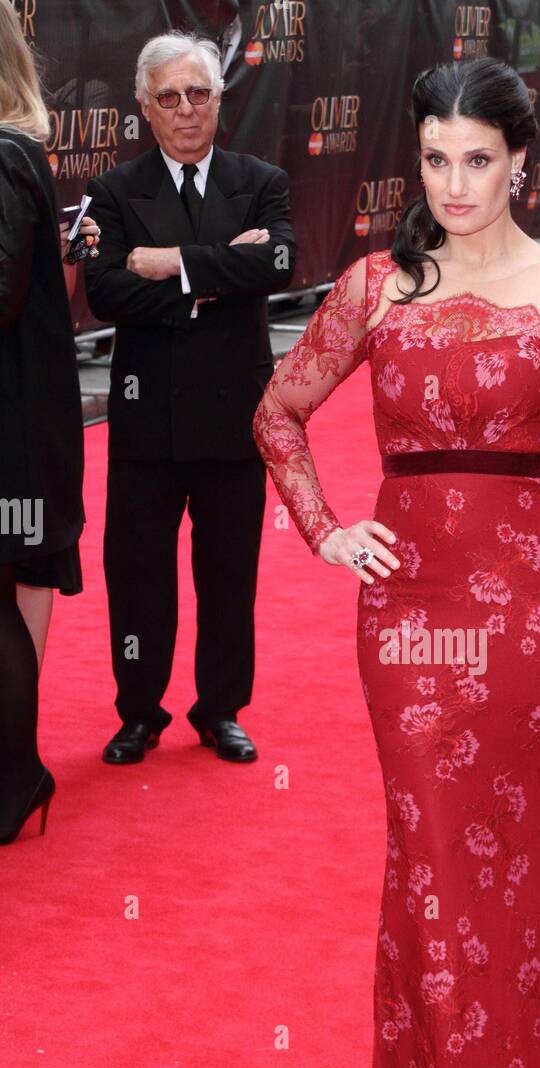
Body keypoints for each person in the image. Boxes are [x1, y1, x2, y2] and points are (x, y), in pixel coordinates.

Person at [254, 58, 540, 1068]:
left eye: (477, 158)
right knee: (425, 854)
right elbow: (276, 411)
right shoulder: (376, 286)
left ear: (521, 160)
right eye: (435, 158)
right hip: (411, 611)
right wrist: (326, 531)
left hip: (533, 609)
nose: (455, 181)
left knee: (513, 869)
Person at [84, 30, 295, 765]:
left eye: (199, 94)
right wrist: (215, 278)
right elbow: (106, 291)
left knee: (229, 574)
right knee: (138, 575)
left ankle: (221, 708)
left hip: (235, 416)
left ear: (220, 99)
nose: (185, 110)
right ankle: (139, 710)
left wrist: (172, 266)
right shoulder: (114, 190)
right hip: (146, 420)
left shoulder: (260, 179)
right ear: (144, 107)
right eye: (169, 97)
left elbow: (276, 262)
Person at [0, 0, 99, 844]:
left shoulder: (2, 156)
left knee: (19, 581)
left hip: (15, 432)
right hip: (22, 420)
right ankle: (16, 769)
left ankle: (17, 774)